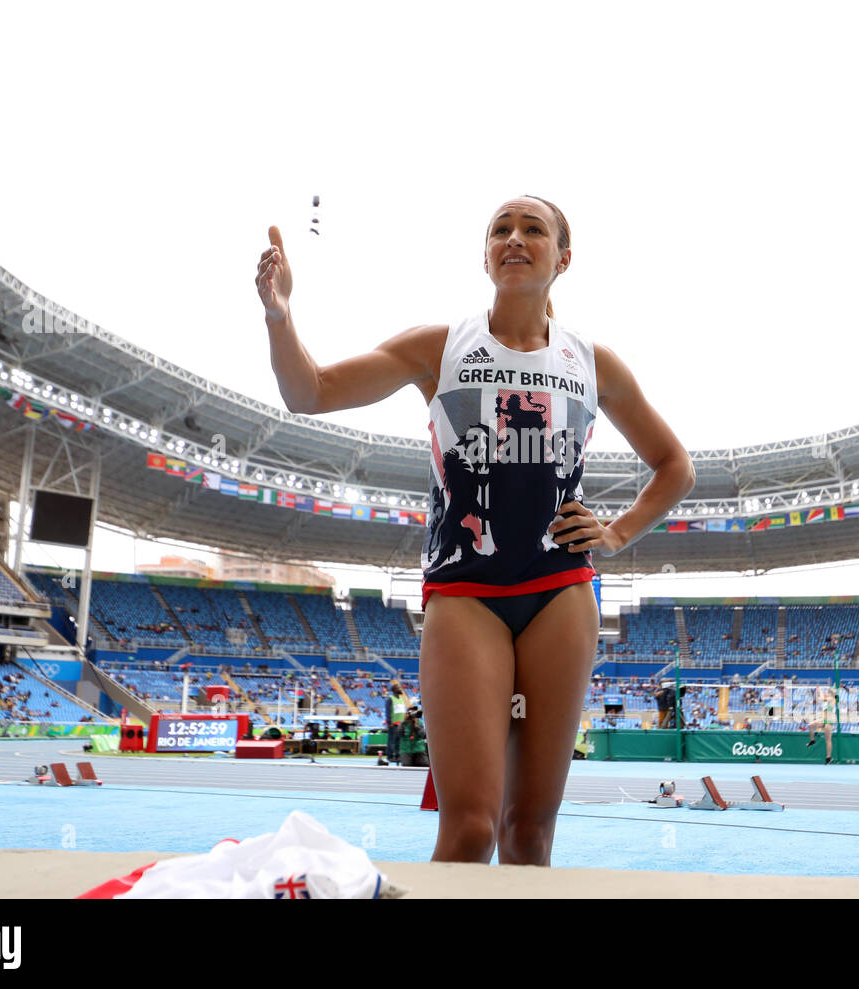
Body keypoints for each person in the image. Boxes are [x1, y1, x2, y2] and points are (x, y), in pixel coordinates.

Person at [256, 198, 694, 865]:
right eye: (500, 230)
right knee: (467, 831)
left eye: (533, 230)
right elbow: (310, 391)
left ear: (563, 258)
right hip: (465, 593)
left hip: (561, 592)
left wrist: (618, 531)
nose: (514, 238)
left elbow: (675, 466)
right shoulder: (440, 346)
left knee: (529, 835)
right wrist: (280, 317)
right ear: (484, 255)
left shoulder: (592, 362)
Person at [805, 685, 836, 764]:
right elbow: (822, 698)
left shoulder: (832, 699)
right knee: (810, 725)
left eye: (827, 692)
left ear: (830, 694)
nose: (826, 693)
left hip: (829, 721)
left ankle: (828, 757)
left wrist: (820, 691)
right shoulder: (827, 700)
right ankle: (812, 740)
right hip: (823, 720)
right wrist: (819, 689)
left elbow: (822, 698)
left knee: (828, 740)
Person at [384, 680, 408, 767]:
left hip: (401, 724)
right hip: (393, 724)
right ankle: (390, 756)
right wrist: (389, 721)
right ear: (394, 690)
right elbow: (387, 711)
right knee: (392, 741)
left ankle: (397, 756)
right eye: (399, 688)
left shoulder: (401, 699)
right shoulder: (390, 699)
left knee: (399, 742)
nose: (400, 689)